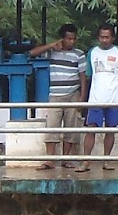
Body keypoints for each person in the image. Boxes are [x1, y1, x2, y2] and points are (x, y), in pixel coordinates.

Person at [29, 25, 86, 168]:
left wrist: (82, 98)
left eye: (74, 39)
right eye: (69, 39)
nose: (72, 42)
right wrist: (51, 45)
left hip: (73, 94)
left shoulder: (79, 54)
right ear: (62, 38)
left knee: (70, 128)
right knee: (52, 126)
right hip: (55, 95)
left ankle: (65, 158)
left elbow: (83, 77)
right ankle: (50, 160)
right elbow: (32, 53)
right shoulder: (52, 53)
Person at [81, 24, 118, 171]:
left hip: (114, 97)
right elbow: (89, 76)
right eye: (102, 37)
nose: (104, 40)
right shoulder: (92, 53)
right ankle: (86, 161)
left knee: (111, 129)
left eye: (107, 37)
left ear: (112, 38)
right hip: (96, 97)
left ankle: (106, 160)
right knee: (91, 129)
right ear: (98, 38)